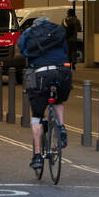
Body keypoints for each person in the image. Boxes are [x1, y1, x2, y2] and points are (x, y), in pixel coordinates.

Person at [20, 17, 72, 175]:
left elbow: (22, 49)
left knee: (36, 116)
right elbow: (65, 51)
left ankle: (37, 156)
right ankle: (61, 127)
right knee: (58, 99)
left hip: (41, 74)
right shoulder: (57, 31)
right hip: (62, 70)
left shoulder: (31, 33)